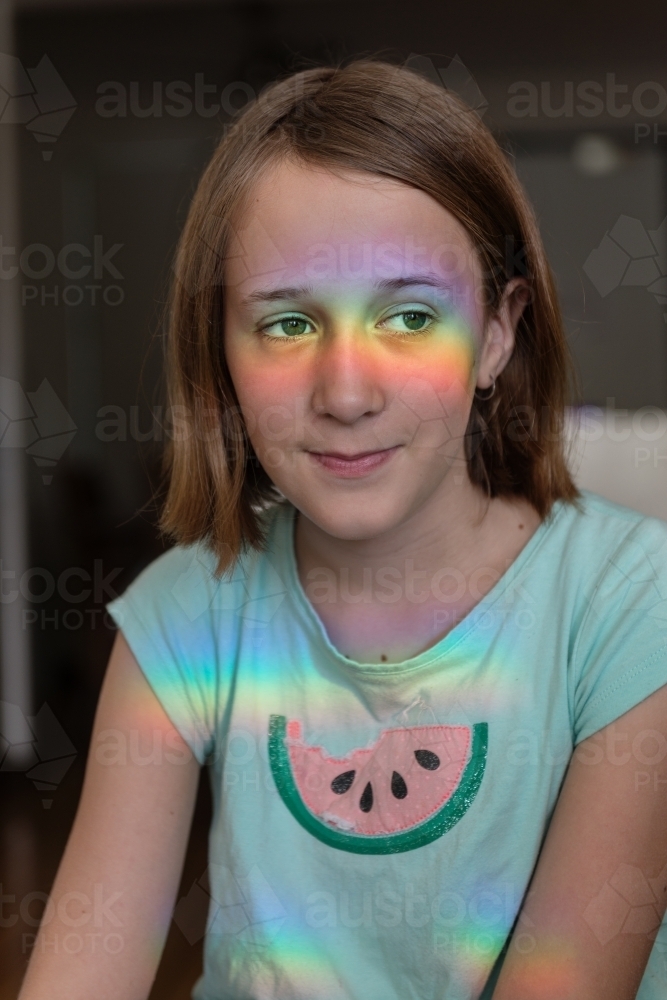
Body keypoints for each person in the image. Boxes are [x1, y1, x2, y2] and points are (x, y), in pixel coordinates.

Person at [19, 60, 667, 1000]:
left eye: (409, 316)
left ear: (496, 334)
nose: (347, 393)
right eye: (286, 325)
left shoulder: (634, 604)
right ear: (221, 355)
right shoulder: (182, 617)